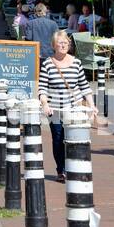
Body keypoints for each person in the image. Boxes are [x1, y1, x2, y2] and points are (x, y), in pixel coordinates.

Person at [38, 29, 98, 182]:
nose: (63, 45)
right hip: (55, 109)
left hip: (74, 108)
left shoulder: (76, 62)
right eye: (60, 43)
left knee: (72, 137)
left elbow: (84, 85)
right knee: (58, 138)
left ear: (69, 45)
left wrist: (92, 105)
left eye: (65, 43)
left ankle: (71, 168)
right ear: (54, 45)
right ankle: (61, 170)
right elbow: (42, 88)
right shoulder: (47, 64)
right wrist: (44, 103)